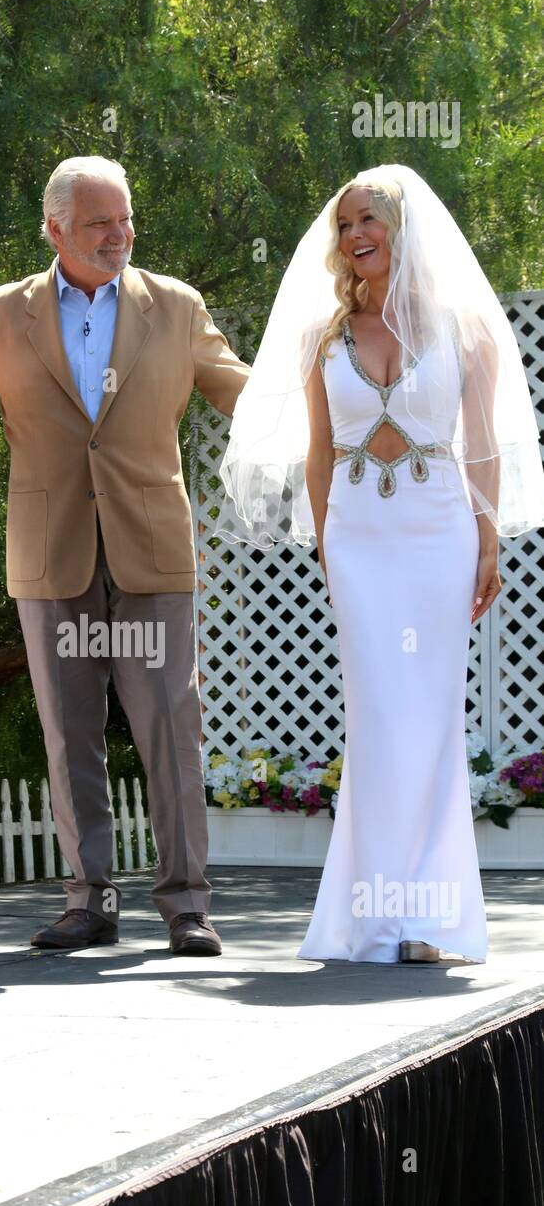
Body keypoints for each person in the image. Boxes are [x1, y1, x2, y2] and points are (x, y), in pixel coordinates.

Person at [214, 164, 544, 964]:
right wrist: (329, 545)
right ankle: (371, 912)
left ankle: (428, 917)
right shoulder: (319, 337)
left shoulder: (464, 327)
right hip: (360, 538)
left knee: (430, 715)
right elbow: (320, 454)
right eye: (344, 225)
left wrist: (488, 532)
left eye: (369, 220)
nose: (356, 235)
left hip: (440, 530)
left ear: (402, 227)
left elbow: (482, 446)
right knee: (377, 718)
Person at [0, 156, 251, 955]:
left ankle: (186, 905)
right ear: (54, 228)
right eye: (99, 223)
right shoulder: (1, 312)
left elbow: (244, 393)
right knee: (69, 734)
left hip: (151, 550)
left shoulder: (178, 307)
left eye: (124, 219)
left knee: (168, 724)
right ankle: (91, 902)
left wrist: (341, 390)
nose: (119, 234)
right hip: (51, 553)